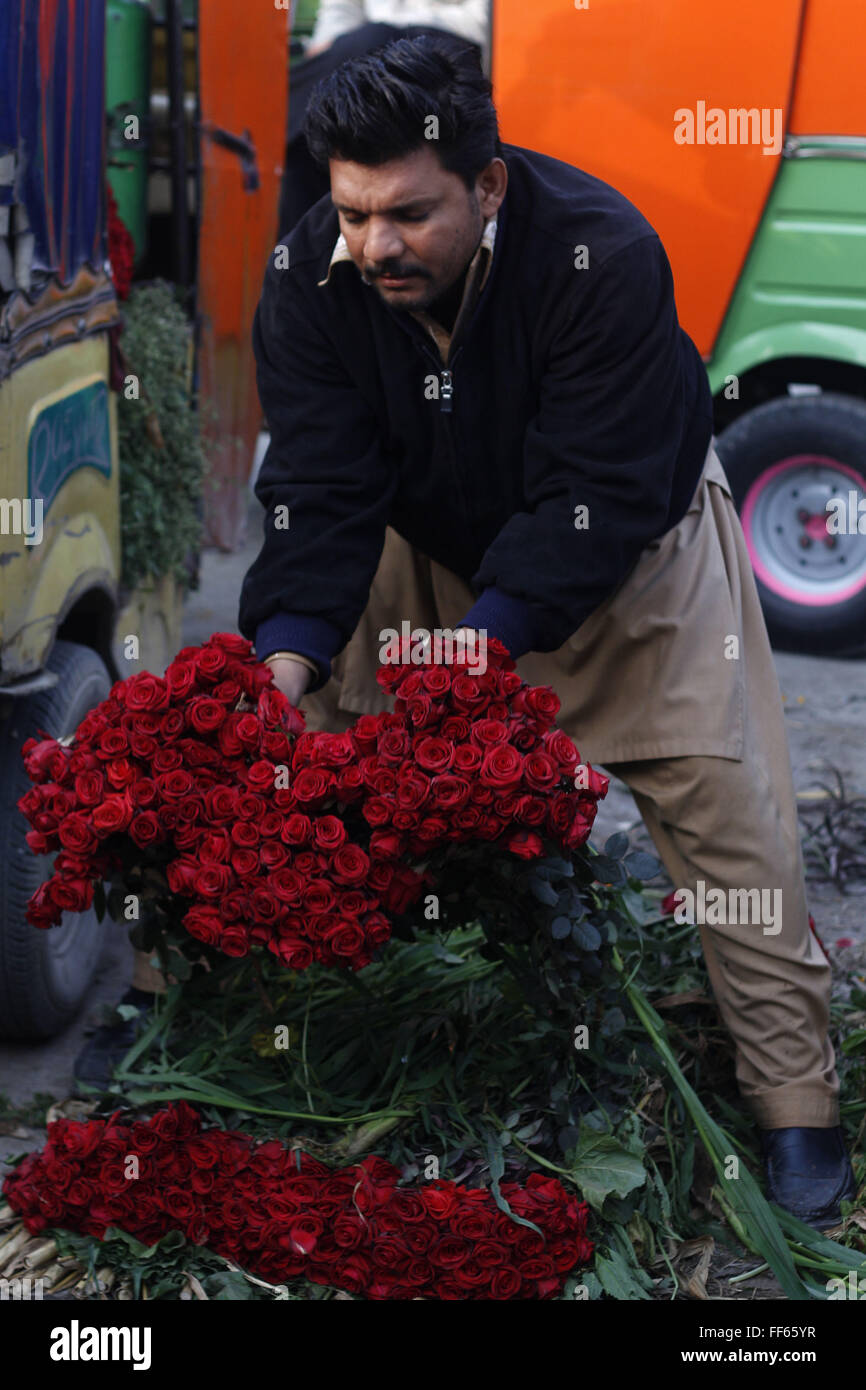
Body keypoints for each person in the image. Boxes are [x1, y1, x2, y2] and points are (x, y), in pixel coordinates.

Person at [238, 36, 858, 1228]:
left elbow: (596, 492)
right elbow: (317, 486)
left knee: (734, 836)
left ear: (489, 186)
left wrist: (484, 645)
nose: (372, 246)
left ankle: (796, 1110)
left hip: (631, 549)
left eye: (407, 214)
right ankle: (293, 1034)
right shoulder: (309, 272)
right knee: (300, 760)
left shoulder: (604, 255)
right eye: (352, 211)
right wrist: (286, 656)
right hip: (421, 542)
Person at [277, 1, 488, 235]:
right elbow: (342, 10)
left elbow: (486, 20)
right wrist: (336, 42)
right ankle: (303, 253)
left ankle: (272, 134)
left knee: (299, 110)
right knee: (302, 142)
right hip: (363, 47)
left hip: (452, 43)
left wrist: (390, 31)